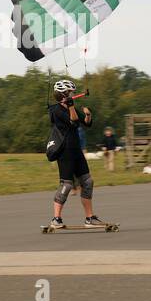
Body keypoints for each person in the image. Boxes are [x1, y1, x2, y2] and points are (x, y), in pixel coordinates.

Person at [48, 79, 104, 229]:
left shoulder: (70, 107)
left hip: (76, 151)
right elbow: (73, 121)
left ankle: (89, 218)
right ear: (64, 94)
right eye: (71, 93)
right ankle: (56, 219)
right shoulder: (56, 110)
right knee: (66, 185)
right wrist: (72, 107)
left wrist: (88, 115)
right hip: (65, 152)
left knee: (87, 182)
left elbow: (86, 123)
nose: (73, 95)